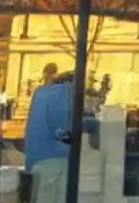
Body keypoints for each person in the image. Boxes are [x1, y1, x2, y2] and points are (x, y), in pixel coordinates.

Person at [24, 71, 98, 203]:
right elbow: (64, 131)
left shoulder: (40, 93)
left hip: (34, 161)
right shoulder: (66, 94)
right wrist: (91, 125)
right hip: (57, 161)